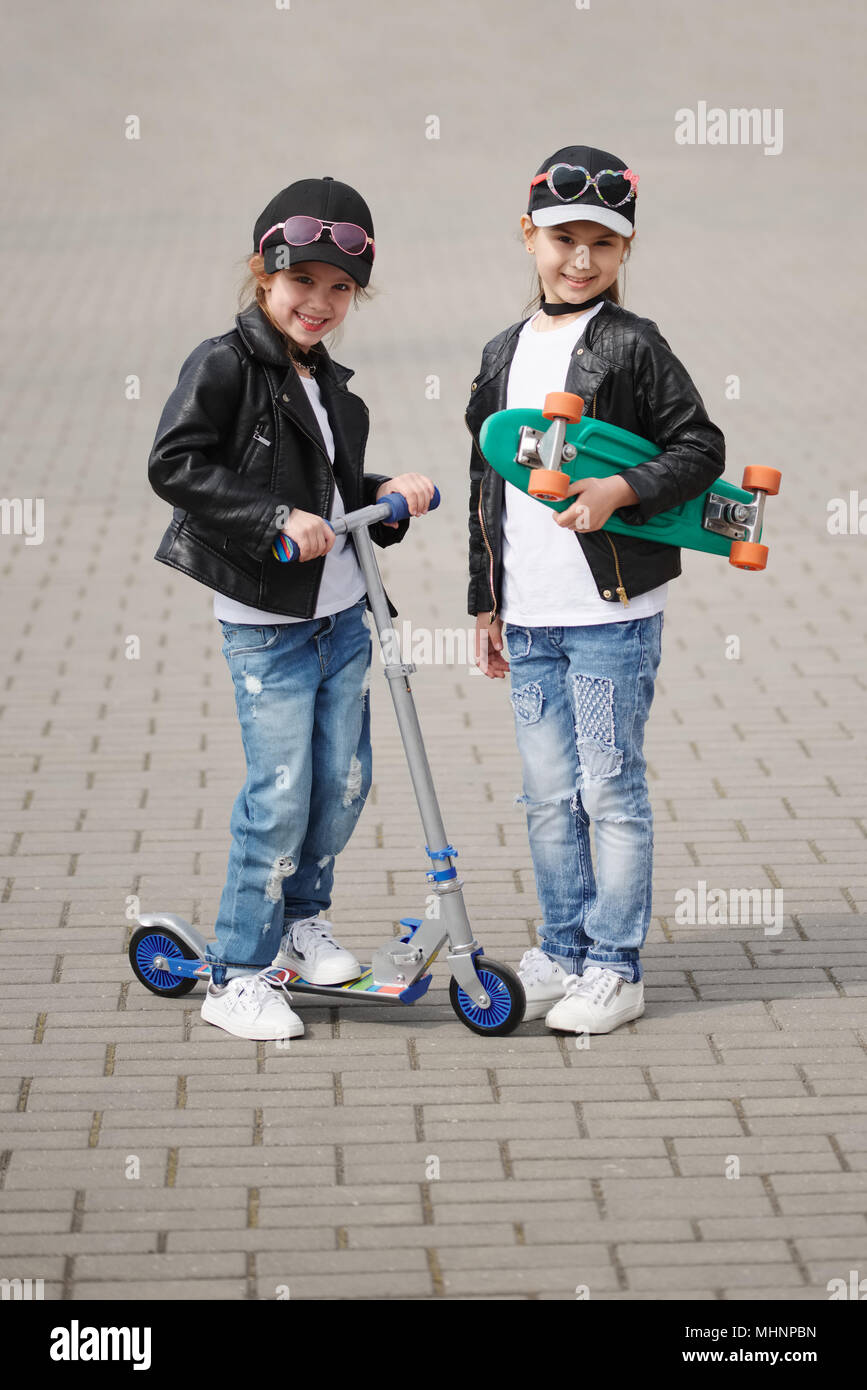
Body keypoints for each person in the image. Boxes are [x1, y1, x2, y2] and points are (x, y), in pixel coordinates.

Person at [148, 176, 435, 1040]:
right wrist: (272, 519)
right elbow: (177, 466)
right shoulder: (224, 364)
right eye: (300, 281)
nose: (318, 302)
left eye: (339, 288)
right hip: (267, 627)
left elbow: (336, 492)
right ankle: (236, 973)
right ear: (261, 273)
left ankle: (302, 923)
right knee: (279, 796)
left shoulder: (333, 387)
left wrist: (388, 493)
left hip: (344, 618)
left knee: (343, 784)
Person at [466, 145, 725, 1034]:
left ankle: (615, 965)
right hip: (531, 617)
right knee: (546, 796)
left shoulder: (631, 343)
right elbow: (485, 486)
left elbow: (699, 447)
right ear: (527, 235)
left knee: (607, 789)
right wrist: (484, 602)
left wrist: (621, 489)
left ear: (624, 252)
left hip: (610, 615)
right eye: (563, 239)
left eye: (601, 246)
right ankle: (563, 949)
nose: (580, 260)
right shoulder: (503, 351)